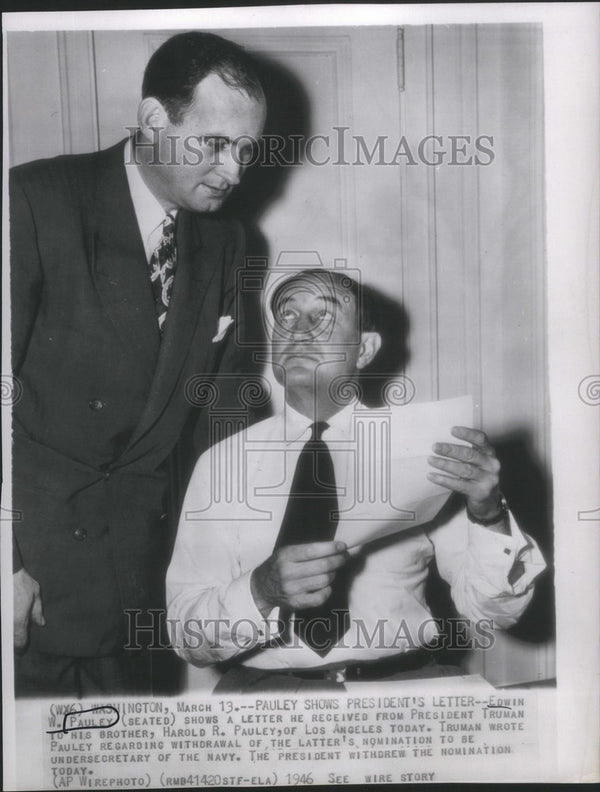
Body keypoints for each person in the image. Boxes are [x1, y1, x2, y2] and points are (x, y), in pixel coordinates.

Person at [10, 31, 266, 696]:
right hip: (31, 581)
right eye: (214, 144)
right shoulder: (34, 202)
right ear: (154, 118)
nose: (234, 172)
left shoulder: (229, 239)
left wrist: (237, 553)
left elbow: (228, 407)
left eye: (246, 150)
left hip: (143, 586)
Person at [166, 269, 547, 692]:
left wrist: (489, 513)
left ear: (364, 349)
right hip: (263, 701)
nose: (300, 330)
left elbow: (493, 615)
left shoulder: (423, 447)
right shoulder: (222, 464)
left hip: (406, 692)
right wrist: (260, 591)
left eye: (323, 316)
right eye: (287, 317)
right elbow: (187, 638)